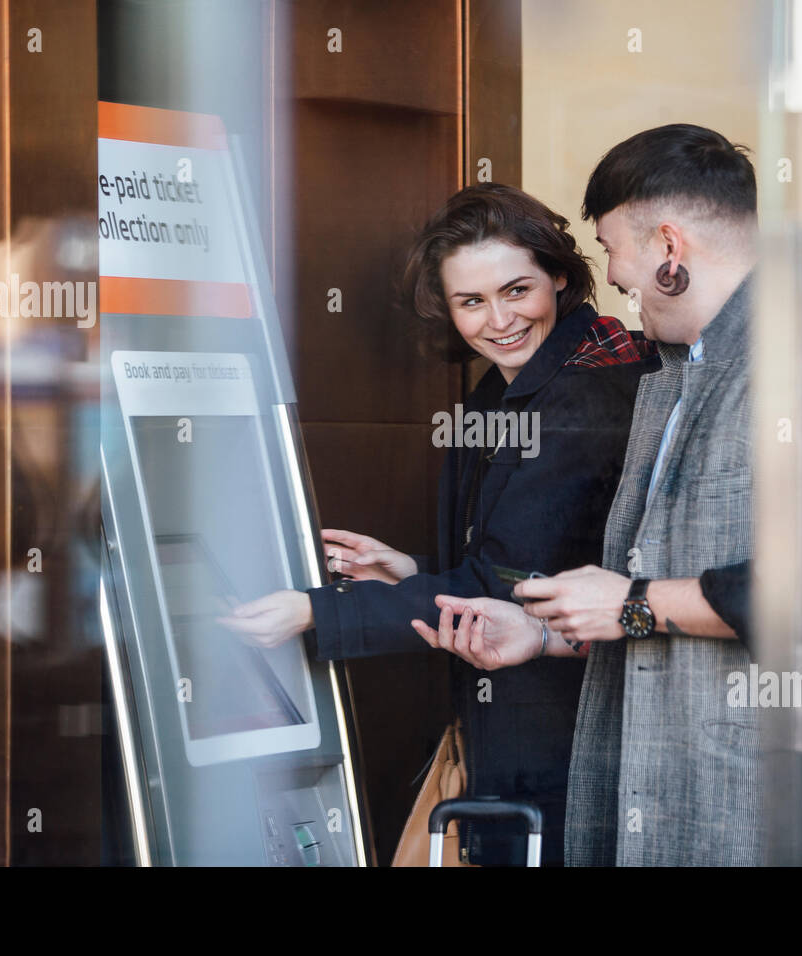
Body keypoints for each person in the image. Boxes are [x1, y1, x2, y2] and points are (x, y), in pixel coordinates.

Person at [420, 125, 802, 866]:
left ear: (668, 247)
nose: (613, 273)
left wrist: (629, 602)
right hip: (668, 813)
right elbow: (654, 604)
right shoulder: (673, 381)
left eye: (613, 247)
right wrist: (551, 635)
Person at [218, 182, 655, 865]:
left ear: (560, 278)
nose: (498, 320)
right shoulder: (517, 383)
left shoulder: (583, 397)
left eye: (517, 291)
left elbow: (506, 587)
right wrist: (415, 573)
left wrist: (314, 611)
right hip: (532, 727)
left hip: (568, 737)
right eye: (471, 302)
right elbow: (516, 564)